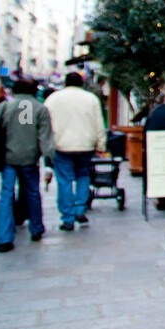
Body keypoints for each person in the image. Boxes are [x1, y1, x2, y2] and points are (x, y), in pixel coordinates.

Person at [0, 78, 53, 252]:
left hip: (9, 157)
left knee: (6, 195)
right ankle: (36, 227)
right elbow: (45, 139)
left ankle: (4, 237)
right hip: (30, 158)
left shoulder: (4, 107)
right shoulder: (41, 108)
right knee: (32, 192)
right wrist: (48, 162)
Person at [44, 72, 106, 231]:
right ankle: (80, 209)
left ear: (65, 83)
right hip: (85, 145)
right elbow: (99, 123)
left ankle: (67, 217)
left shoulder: (53, 99)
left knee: (64, 181)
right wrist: (101, 145)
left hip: (61, 145)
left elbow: (46, 124)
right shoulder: (91, 99)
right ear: (81, 83)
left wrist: (45, 146)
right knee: (83, 175)